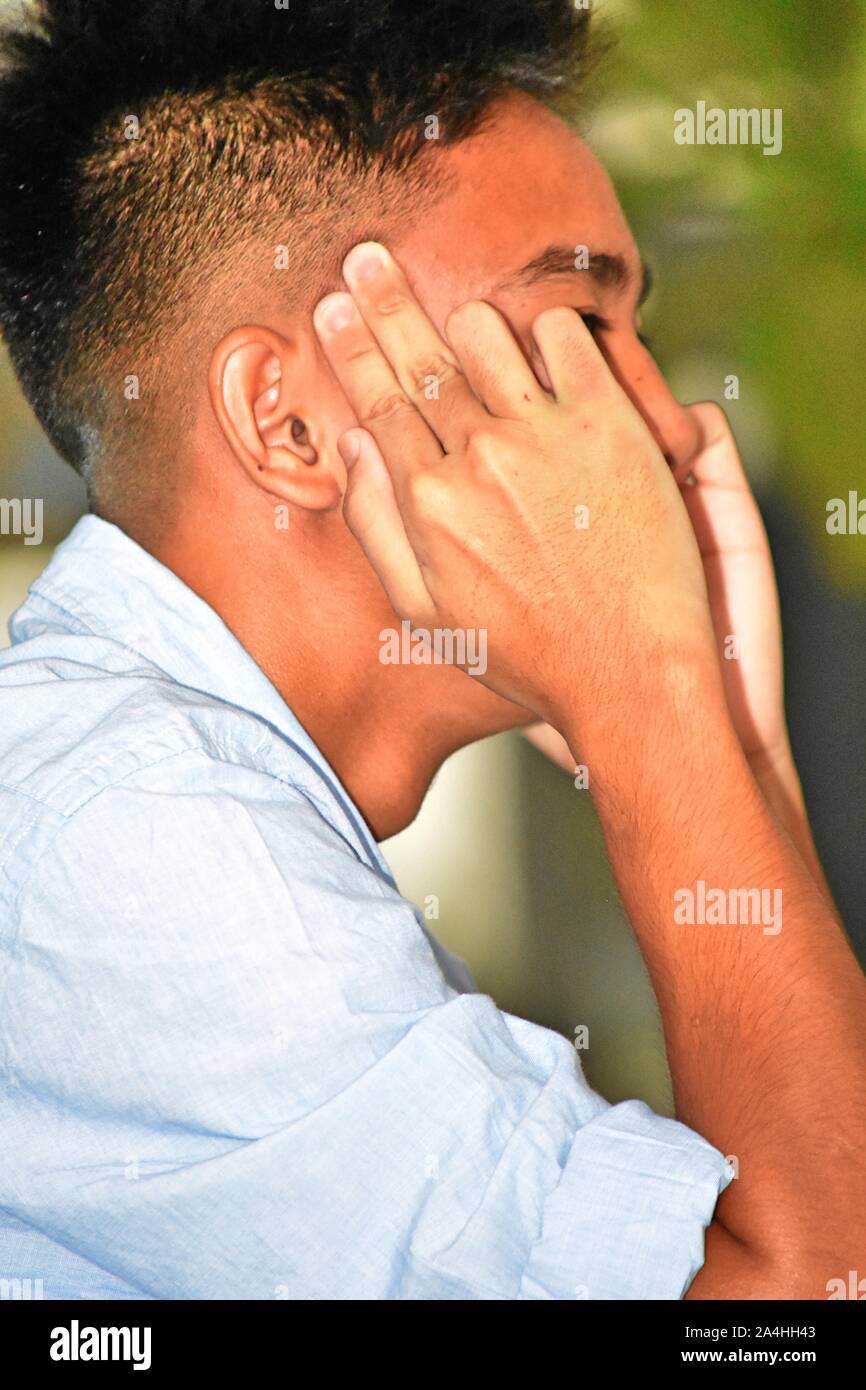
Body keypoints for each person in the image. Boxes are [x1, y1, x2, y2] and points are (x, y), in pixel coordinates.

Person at [0, 0, 862, 1300]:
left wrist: (728, 751)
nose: (665, 422)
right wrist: (650, 697)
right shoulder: (127, 822)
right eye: (574, 328)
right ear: (285, 424)